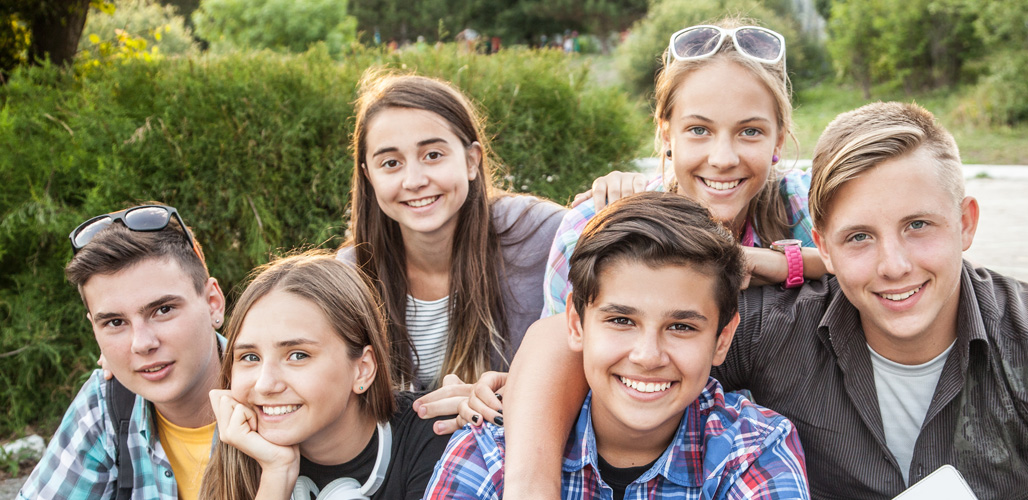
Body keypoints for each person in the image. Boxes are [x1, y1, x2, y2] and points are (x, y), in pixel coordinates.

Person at [503, 101, 1028, 499]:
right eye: (859, 237)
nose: (894, 264)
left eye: (918, 226)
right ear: (821, 246)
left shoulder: (1019, 336)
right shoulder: (774, 328)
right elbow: (576, 341)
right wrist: (528, 469)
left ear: (965, 223)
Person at [424, 193, 809, 499]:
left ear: (722, 339)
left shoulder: (753, 452)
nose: (647, 355)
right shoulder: (496, 446)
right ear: (576, 323)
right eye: (621, 321)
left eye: (681, 326)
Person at [543, 19, 825, 318]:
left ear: (778, 141)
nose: (723, 159)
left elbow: (872, 268)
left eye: (750, 131)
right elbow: (554, 354)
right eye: (699, 130)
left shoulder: (812, 205)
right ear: (667, 134)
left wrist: (784, 263)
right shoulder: (589, 228)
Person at [338, 71, 566, 432]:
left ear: (472, 160)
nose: (413, 180)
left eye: (432, 155)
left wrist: (621, 196)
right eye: (391, 163)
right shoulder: (351, 275)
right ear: (368, 177)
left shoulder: (542, 235)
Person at [199, 252, 451, 500]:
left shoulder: (438, 441)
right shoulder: (240, 451)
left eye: (298, 355)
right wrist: (277, 474)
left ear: (362, 369)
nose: (265, 384)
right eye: (250, 357)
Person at [18, 204, 226, 500]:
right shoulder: (107, 403)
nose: (141, 343)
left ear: (213, 303)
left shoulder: (280, 397)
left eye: (163, 310)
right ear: (95, 331)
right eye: (116, 322)